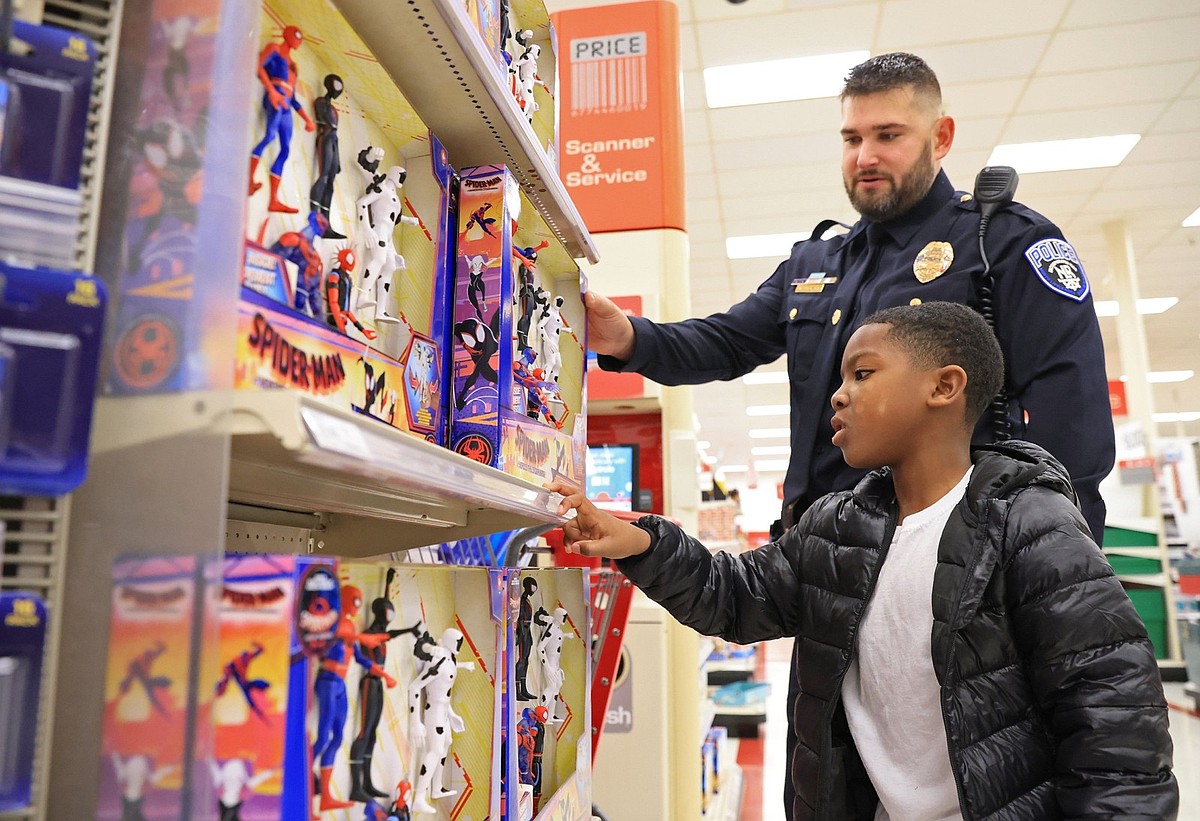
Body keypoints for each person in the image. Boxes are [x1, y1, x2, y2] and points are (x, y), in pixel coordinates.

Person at [584, 52, 1116, 817]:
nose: (865, 154)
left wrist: (1052, 586)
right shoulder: (818, 263)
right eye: (851, 137)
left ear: (941, 136)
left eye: (888, 134)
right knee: (833, 782)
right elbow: (726, 341)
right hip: (831, 577)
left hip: (963, 594)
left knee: (978, 782)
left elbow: (1074, 431)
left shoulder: (1001, 246)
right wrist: (629, 336)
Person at [549, 301, 1177, 820]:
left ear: (944, 386)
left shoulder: (1031, 527)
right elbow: (737, 598)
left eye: (863, 374)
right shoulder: (837, 525)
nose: (838, 397)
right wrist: (639, 542)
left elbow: (1115, 729)